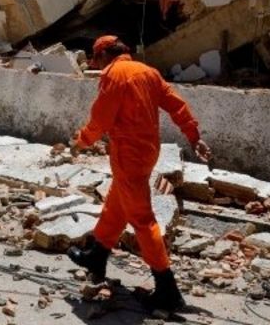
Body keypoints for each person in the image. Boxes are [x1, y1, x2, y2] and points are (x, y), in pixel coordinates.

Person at [68, 35, 211, 314]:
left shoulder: (114, 74)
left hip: (128, 154)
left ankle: (168, 290)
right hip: (147, 153)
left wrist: (81, 140)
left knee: (142, 221)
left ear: (103, 56)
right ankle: (95, 257)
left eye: (96, 60)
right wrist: (194, 137)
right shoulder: (149, 72)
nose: (96, 65)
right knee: (116, 204)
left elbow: (101, 119)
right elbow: (177, 106)